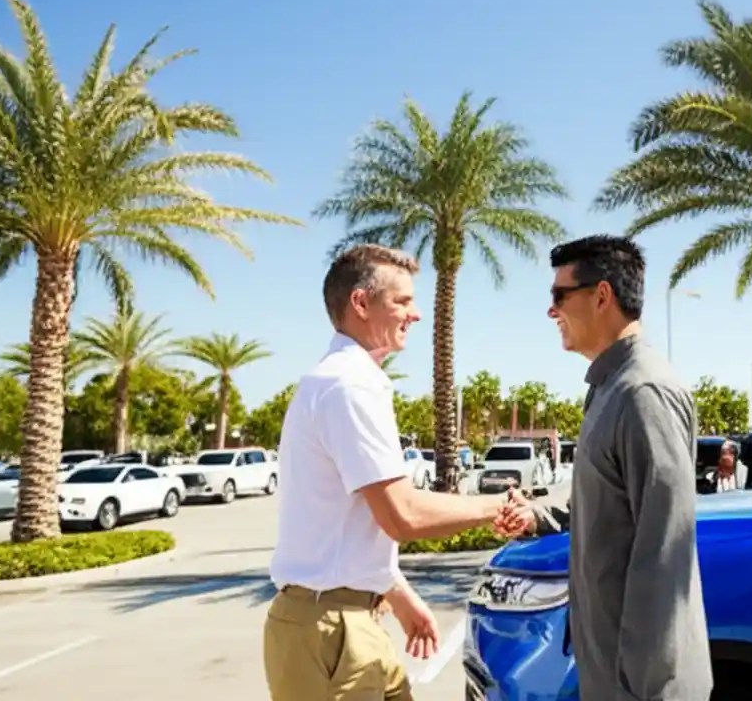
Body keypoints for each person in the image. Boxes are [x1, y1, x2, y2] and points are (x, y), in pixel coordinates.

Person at [264, 244, 522, 701]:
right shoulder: (348, 385)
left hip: (352, 623)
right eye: (402, 301)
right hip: (332, 633)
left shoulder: (348, 380)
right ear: (361, 303)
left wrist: (398, 596)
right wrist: (497, 506)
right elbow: (401, 514)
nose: (416, 314)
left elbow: (346, 526)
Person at [496, 234, 713, 701]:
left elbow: (663, 553)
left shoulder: (643, 393)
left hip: (639, 687)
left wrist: (640, 686)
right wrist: (539, 516)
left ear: (601, 296)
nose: (551, 311)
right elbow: (609, 506)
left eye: (559, 295)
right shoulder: (610, 388)